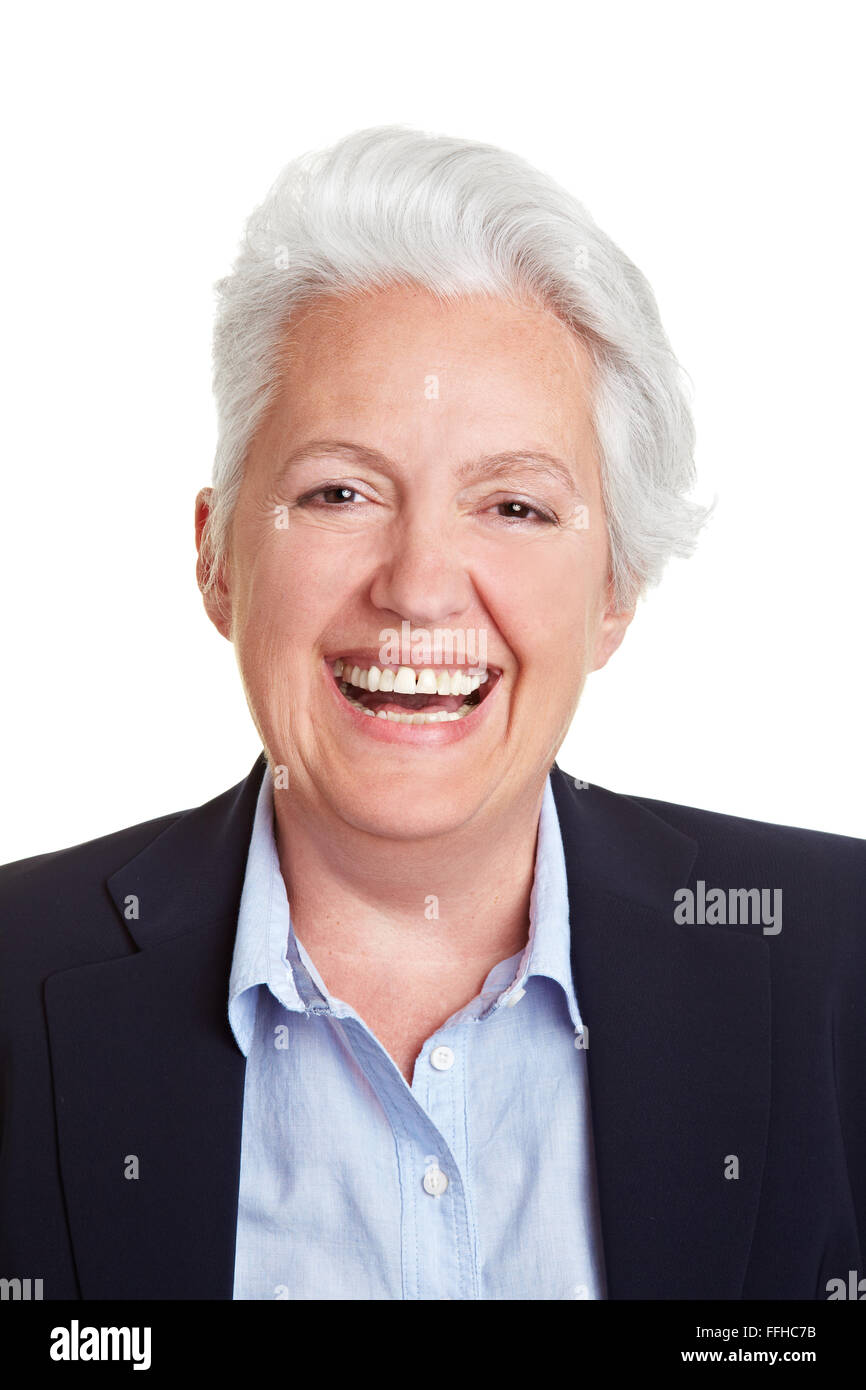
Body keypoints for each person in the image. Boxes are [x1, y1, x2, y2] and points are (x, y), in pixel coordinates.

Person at [1, 126, 863, 1301]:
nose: (415, 584)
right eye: (339, 491)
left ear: (614, 593)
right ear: (216, 559)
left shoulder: (835, 958)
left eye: (511, 504)